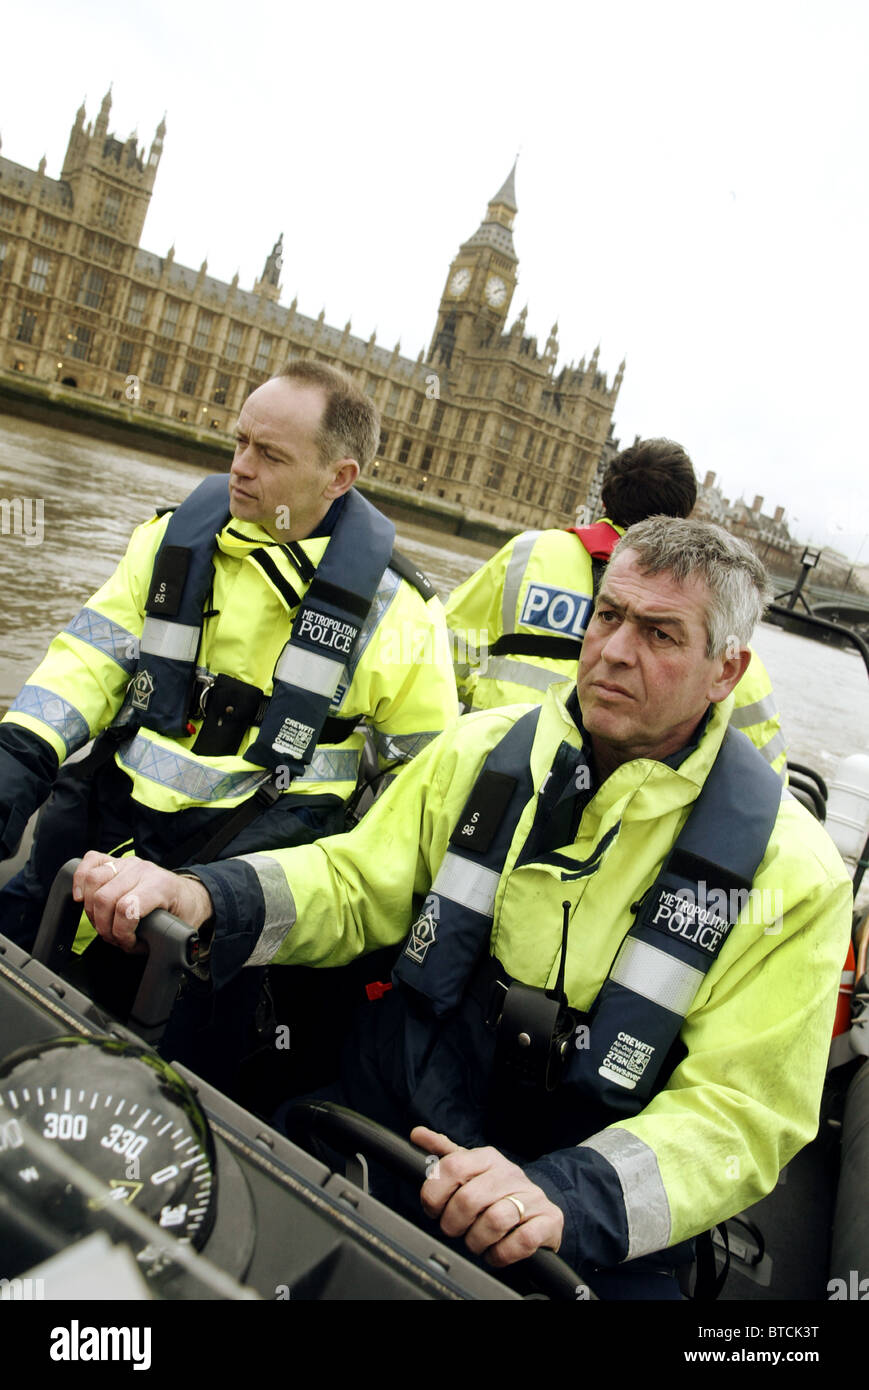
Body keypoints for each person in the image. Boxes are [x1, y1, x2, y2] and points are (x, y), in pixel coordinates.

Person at [74, 517, 851, 1298]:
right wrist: (207, 892)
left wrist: (562, 1199)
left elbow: (741, 1113)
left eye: (659, 634)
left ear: (726, 670)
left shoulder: (791, 875)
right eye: (609, 616)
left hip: (578, 1214)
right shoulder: (480, 751)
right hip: (390, 1119)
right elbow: (353, 881)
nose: (614, 651)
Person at [0, 359, 458, 960]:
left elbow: (422, 795)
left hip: (238, 893)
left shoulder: (401, 614)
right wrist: (17, 759)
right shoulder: (170, 540)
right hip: (96, 837)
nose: (240, 466)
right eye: (240, 441)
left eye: (270, 454)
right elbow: (88, 662)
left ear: (338, 477)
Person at [445, 437, 788, 776]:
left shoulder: (529, 553)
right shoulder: (708, 608)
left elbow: (441, 651)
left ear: (606, 495)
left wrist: (477, 711)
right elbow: (766, 764)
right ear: (681, 518)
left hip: (492, 760)